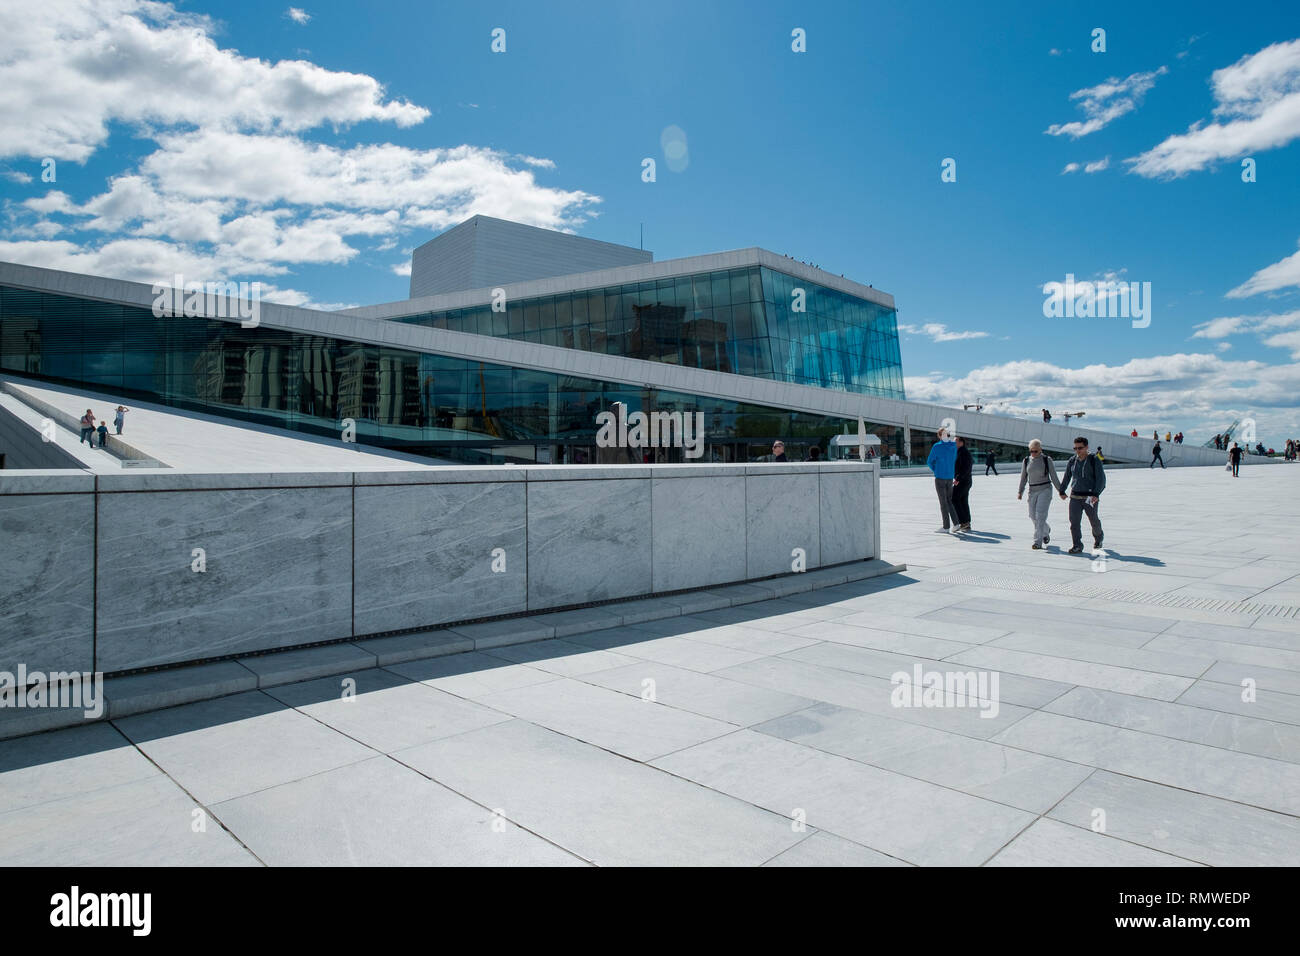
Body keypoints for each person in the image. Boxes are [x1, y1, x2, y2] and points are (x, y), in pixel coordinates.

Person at [1060, 436, 1105, 554]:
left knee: (1093, 520)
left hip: (1090, 496)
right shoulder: (1072, 460)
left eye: (1080, 448)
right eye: (1075, 448)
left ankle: (1099, 538)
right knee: (1074, 522)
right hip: (1075, 496)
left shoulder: (1094, 459)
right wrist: (1062, 490)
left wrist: (1096, 494)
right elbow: (1067, 476)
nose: (1077, 451)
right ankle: (1077, 545)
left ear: (1086, 447)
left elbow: (1101, 479)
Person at [1018, 439, 1061, 549]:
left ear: (1040, 450)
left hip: (1045, 489)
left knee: (1040, 515)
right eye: (1031, 451)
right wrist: (1020, 491)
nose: (1033, 453)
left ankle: (1037, 541)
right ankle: (1046, 531)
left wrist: (1061, 491)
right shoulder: (1026, 460)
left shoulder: (1047, 460)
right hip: (1032, 491)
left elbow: (1054, 476)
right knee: (1032, 515)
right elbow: (1023, 477)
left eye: (1036, 451)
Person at [926, 428, 960, 533]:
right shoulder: (953, 446)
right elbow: (954, 460)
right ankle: (956, 523)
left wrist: (936, 469)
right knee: (949, 501)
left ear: (940, 436)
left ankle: (946, 527)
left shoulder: (937, 446)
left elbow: (929, 461)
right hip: (949, 477)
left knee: (943, 502)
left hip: (940, 477)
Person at [951, 437, 973, 531]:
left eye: (955, 441)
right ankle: (966, 523)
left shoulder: (964, 453)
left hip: (963, 481)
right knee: (963, 501)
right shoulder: (961, 452)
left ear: (961, 442)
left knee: (954, 499)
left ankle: (963, 521)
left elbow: (966, 468)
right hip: (964, 480)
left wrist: (958, 479)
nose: (954, 443)